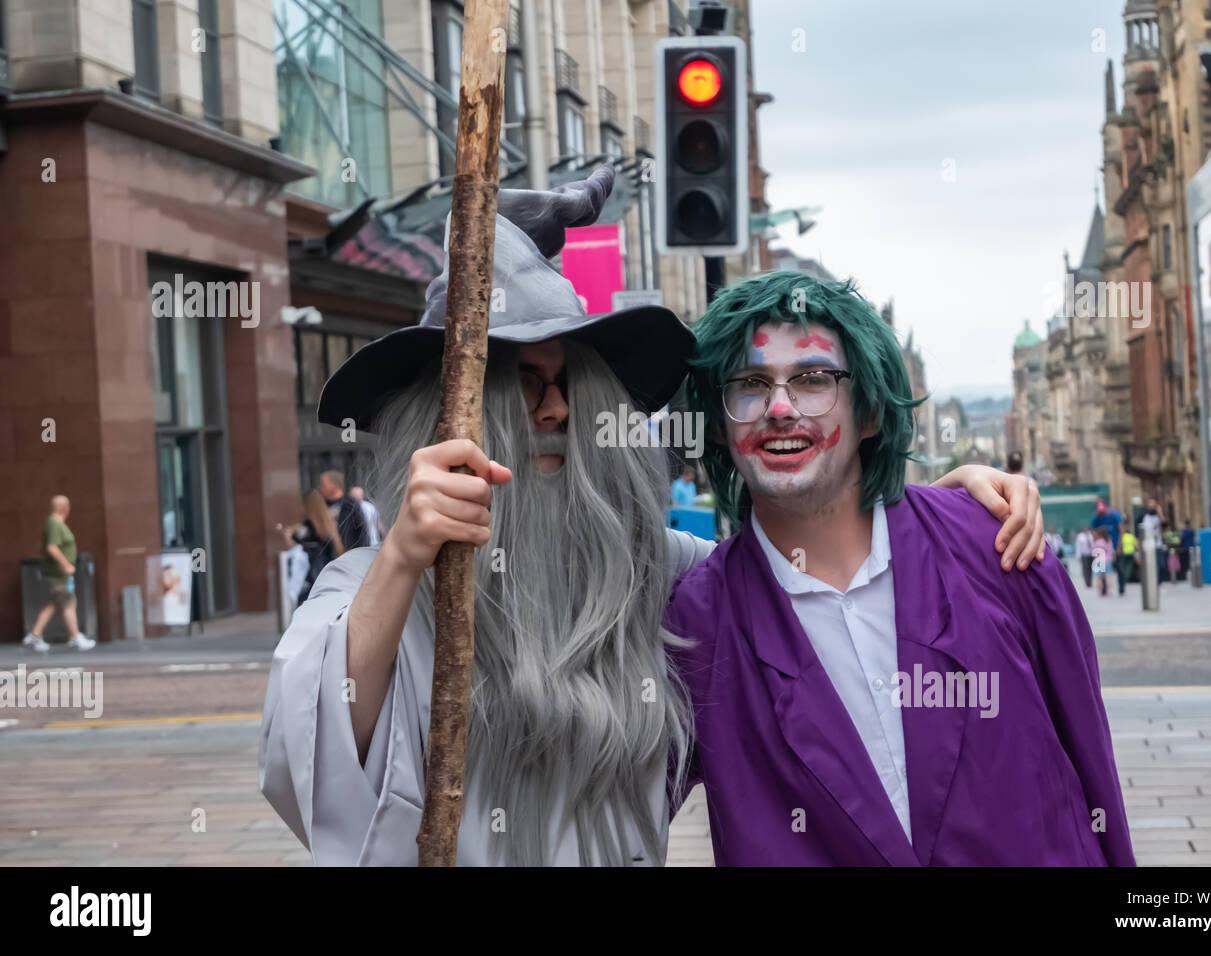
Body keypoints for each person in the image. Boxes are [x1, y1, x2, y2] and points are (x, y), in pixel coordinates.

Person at [258, 166, 1046, 867]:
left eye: (569, 381)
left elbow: (814, 563)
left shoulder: (658, 574)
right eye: (524, 384)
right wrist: (402, 559)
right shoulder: (367, 590)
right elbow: (308, 760)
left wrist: (934, 505)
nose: (557, 409)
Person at [663, 271, 1133, 865]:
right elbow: (588, 810)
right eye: (751, 384)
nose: (780, 407)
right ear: (722, 426)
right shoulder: (694, 625)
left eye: (813, 380)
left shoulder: (1002, 547)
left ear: (871, 414)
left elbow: (1094, 766)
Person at [22, 495, 95, 652]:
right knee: (68, 601)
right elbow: (52, 547)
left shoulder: (55, 523)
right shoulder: (54, 524)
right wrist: (66, 564)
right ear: (64, 508)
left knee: (55, 603)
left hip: (58, 572)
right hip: (59, 572)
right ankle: (75, 637)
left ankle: (35, 635)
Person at [279, 490, 344, 607]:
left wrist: (291, 536)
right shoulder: (328, 523)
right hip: (327, 576)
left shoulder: (309, 525)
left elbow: (301, 543)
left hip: (313, 579)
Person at [318, 470, 368, 552]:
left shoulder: (350, 505)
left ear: (333, 485)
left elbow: (361, 533)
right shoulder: (320, 505)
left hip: (348, 555)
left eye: (323, 484)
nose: (320, 488)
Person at [1091, 526, 1115, 597]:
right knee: (1108, 577)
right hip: (1107, 560)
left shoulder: (1097, 541)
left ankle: (1100, 592)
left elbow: (1093, 551)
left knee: (1099, 578)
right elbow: (1111, 551)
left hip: (1099, 561)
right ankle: (1108, 592)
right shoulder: (1109, 541)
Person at [1117, 521, 1138, 596]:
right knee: (1126, 569)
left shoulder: (1124, 536)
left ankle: (1124, 579)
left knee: (1124, 569)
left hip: (1126, 555)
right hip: (1128, 554)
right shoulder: (1131, 536)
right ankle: (1125, 578)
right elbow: (1136, 546)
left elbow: (1120, 545)